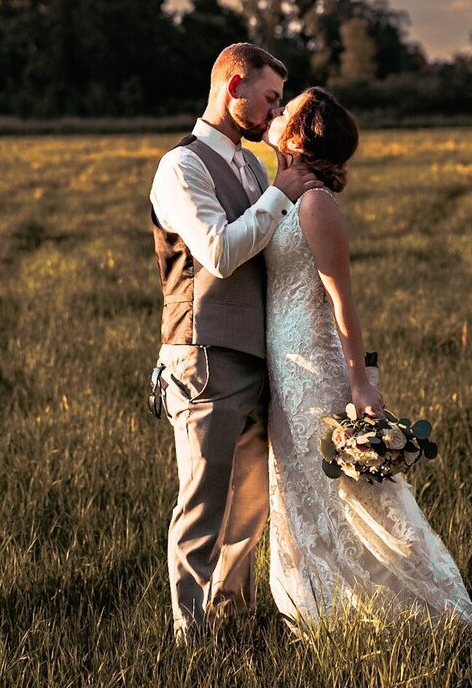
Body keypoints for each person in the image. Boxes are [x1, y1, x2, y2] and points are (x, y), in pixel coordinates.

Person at [263, 86, 472, 628]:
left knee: (350, 491)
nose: (275, 113)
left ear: (299, 136)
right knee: (296, 487)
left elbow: (342, 300)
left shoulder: (317, 203)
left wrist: (361, 385)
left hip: (314, 365)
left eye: (285, 110)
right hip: (281, 362)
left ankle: (424, 607)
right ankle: (321, 608)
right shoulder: (282, 194)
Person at [149, 43, 323, 640]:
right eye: (270, 97)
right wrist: (282, 191)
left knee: (248, 509)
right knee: (202, 505)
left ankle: (233, 626)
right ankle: (190, 638)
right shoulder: (182, 166)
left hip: (257, 358)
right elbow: (219, 253)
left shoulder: (250, 167)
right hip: (201, 356)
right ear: (234, 85)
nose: (275, 112)